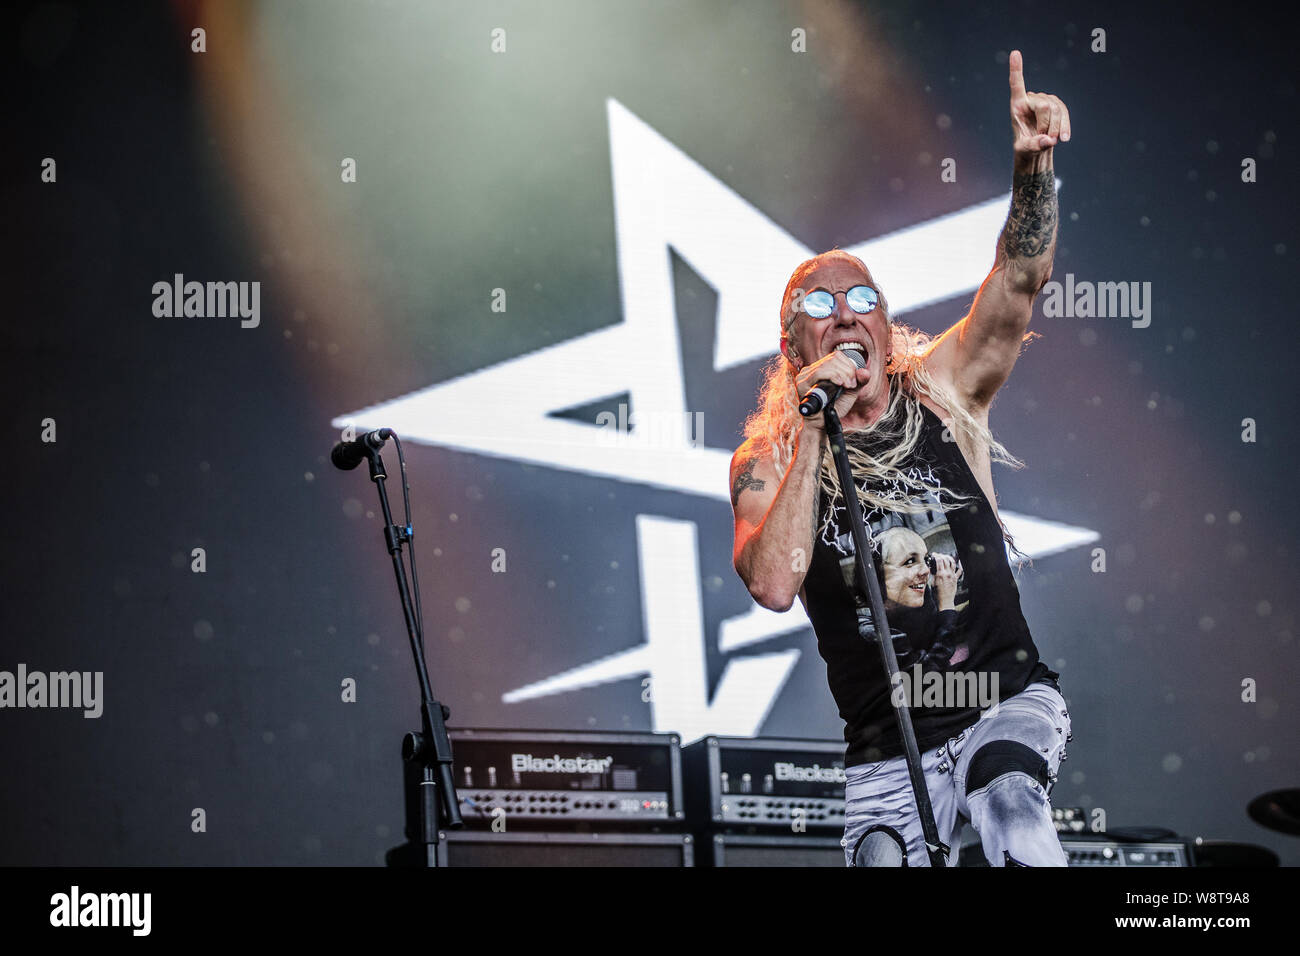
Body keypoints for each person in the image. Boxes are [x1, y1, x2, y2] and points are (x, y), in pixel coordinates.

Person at [729, 51, 1073, 867]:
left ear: (884, 327)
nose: (844, 312)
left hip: (1001, 701)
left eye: (862, 300)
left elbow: (1019, 280)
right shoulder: (770, 457)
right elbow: (774, 584)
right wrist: (817, 425)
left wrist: (1034, 170)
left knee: (1012, 799)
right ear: (792, 346)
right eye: (819, 304)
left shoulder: (945, 395)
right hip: (888, 746)